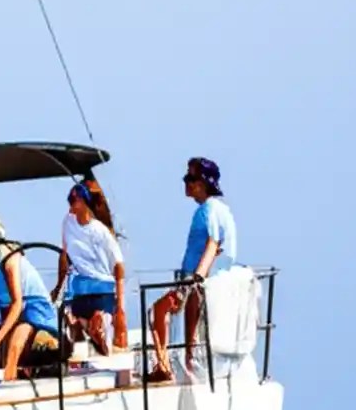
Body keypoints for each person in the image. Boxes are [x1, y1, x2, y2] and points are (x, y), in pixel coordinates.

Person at [148, 157, 237, 383]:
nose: (186, 182)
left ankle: (164, 365)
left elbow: (213, 243)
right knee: (190, 330)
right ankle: (182, 364)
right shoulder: (220, 210)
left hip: (196, 279)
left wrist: (197, 278)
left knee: (157, 311)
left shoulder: (207, 210)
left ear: (203, 183)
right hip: (206, 280)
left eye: (191, 178)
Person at [0, 212, 64, 380]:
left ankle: (9, 385)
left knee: (14, 347)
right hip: (12, 314)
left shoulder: (9, 258)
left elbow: (18, 303)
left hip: (34, 312)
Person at [51, 180, 127, 355]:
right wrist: (58, 286)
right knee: (70, 319)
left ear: (84, 202)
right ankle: (88, 329)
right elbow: (64, 256)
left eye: (74, 200)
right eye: (69, 200)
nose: (70, 204)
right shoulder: (68, 222)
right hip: (79, 289)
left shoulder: (100, 231)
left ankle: (95, 327)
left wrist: (120, 306)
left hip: (101, 288)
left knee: (104, 348)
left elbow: (119, 265)